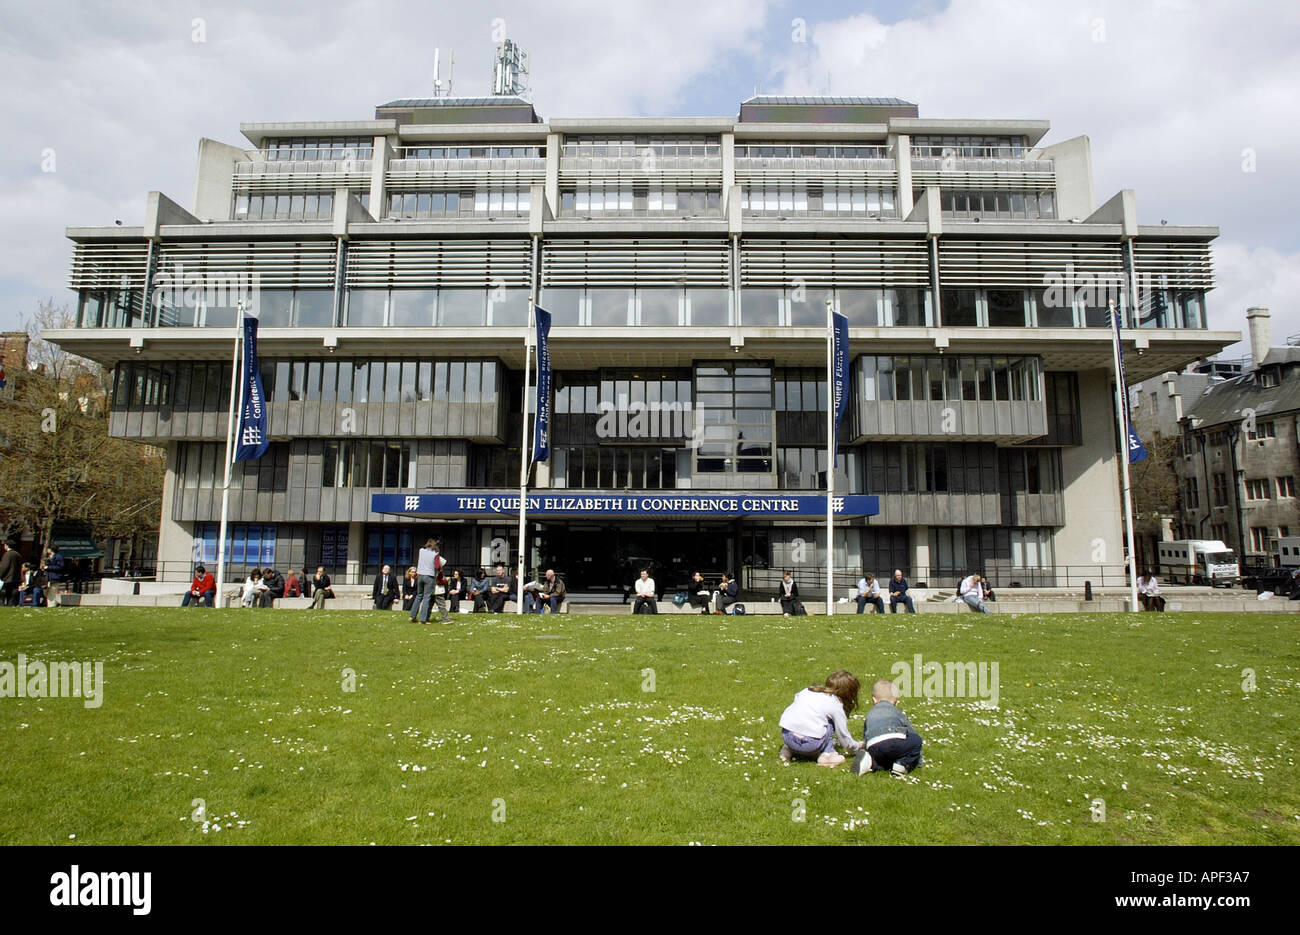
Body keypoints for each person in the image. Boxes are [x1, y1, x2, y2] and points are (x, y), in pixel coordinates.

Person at [777, 669, 865, 767]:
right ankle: (827, 755)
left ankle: (789, 749)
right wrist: (857, 747)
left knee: (807, 717)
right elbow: (843, 737)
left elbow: (797, 700)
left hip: (787, 736)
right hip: (811, 745)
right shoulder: (835, 704)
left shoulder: (808, 690)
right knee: (830, 724)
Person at [851, 678, 924, 778]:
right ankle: (902, 764)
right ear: (895, 701)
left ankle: (870, 762)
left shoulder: (870, 714)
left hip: (874, 745)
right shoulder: (896, 711)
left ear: (874, 699)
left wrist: (865, 748)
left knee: (884, 759)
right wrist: (917, 761)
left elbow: (866, 733)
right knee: (916, 740)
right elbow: (910, 731)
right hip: (894, 742)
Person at [411, 538, 450, 624]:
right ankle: (423, 619)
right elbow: (437, 566)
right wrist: (439, 569)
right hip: (429, 576)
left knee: (419, 596)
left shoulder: (421, 550)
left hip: (420, 575)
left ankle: (412, 615)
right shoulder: (435, 554)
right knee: (426, 598)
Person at [0, 541, 21, 607]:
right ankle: (11, 605)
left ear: (6, 545)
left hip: (8, 578)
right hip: (16, 577)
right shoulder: (18, 554)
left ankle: (5, 605)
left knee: (6, 593)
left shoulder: (7, 554)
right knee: (13, 594)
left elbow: (4, 566)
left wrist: (0, 574)